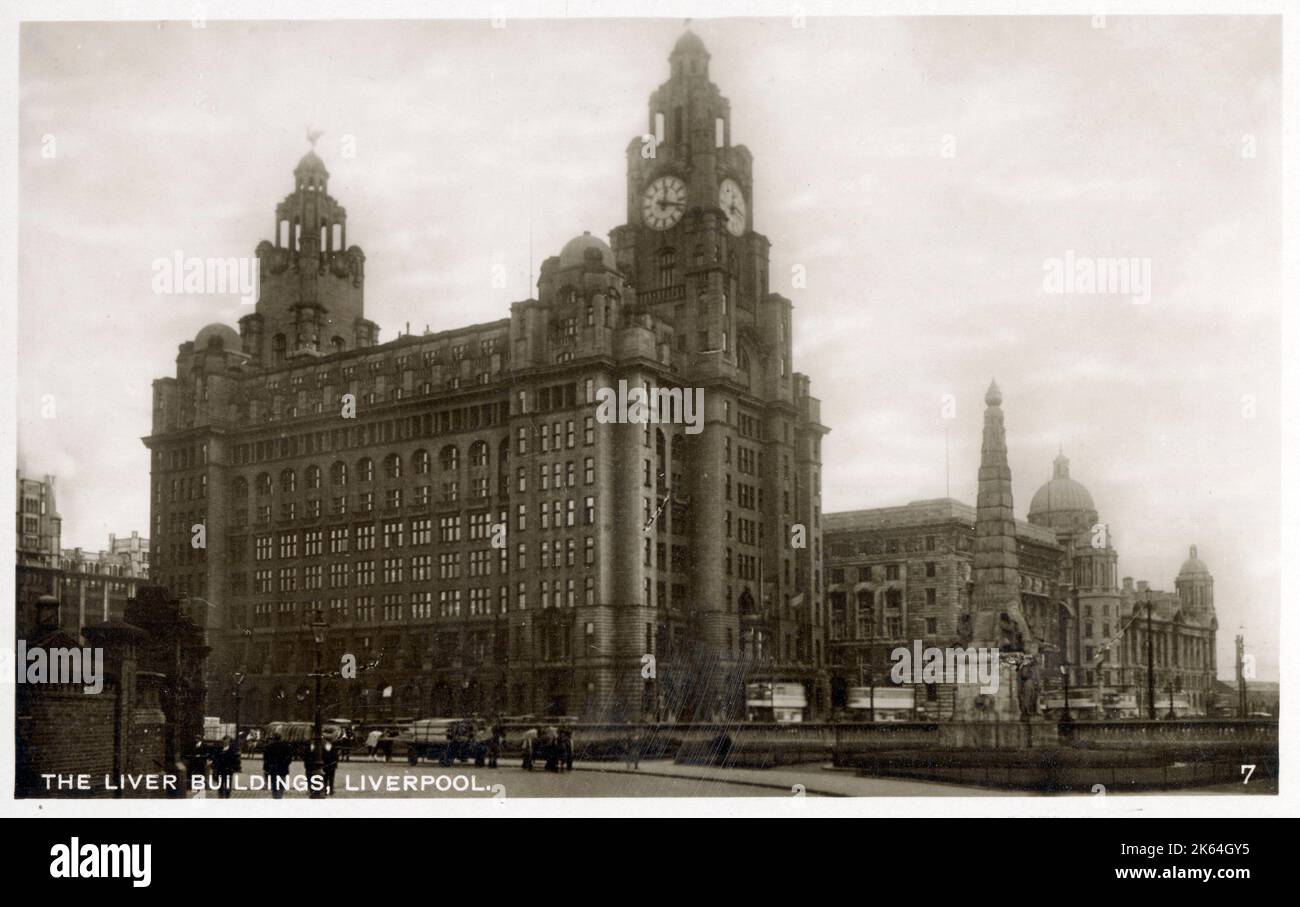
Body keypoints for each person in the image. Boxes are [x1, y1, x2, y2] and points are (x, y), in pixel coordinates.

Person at [262, 732, 292, 799]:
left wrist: (266, 769)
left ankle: (275, 797)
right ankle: (280, 796)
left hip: (273, 769)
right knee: (281, 784)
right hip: (283, 769)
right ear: (281, 738)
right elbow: (289, 758)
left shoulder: (268, 746)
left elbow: (266, 760)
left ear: (273, 738)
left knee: (274, 785)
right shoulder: (286, 746)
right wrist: (285, 764)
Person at [212, 735, 241, 799]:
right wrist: (214, 767)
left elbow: (236, 761)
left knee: (228, 784)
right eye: (224, 740)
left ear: (229, 742)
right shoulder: (219, 749)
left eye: (227, 740)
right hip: (220, 770)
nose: (225, 742)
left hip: (228, 770)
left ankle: (227, 796)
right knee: (220, 785)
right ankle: (221, 797)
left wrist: (234, 768)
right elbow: (215, 759)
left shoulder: (232, 750)